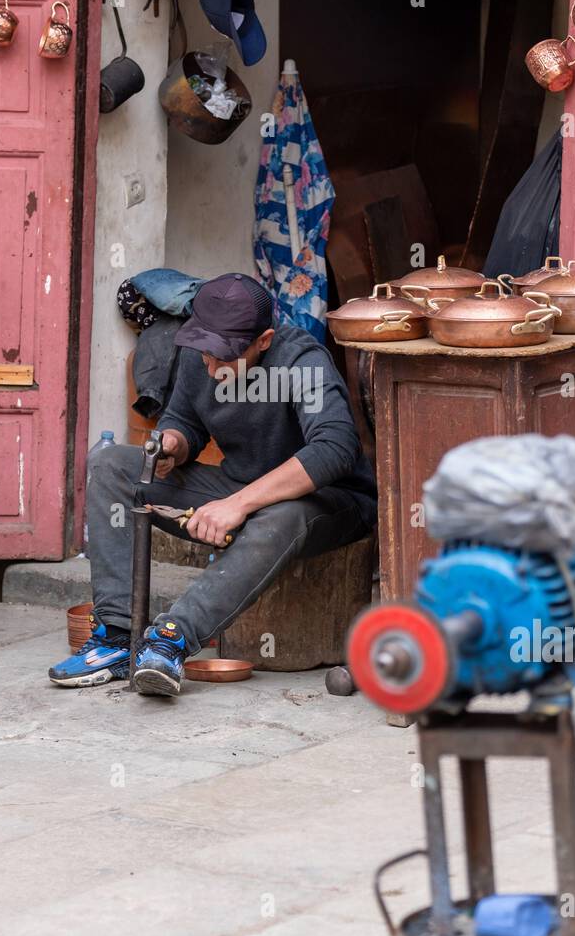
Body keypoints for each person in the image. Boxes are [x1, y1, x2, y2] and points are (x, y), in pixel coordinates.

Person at [48, 273, 377, 698]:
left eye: (225, 357)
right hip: (239, 487)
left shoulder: (301, 360)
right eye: (205, 352)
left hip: (328, 502)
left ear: (264, 341)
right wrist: (173, 446)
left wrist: (238, 504)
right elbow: (184, 420)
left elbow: (335, 447)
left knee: (281, 516)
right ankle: (117, 634)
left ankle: (171, 640)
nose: (211, 366)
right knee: (111, 464)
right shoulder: (199, 354)